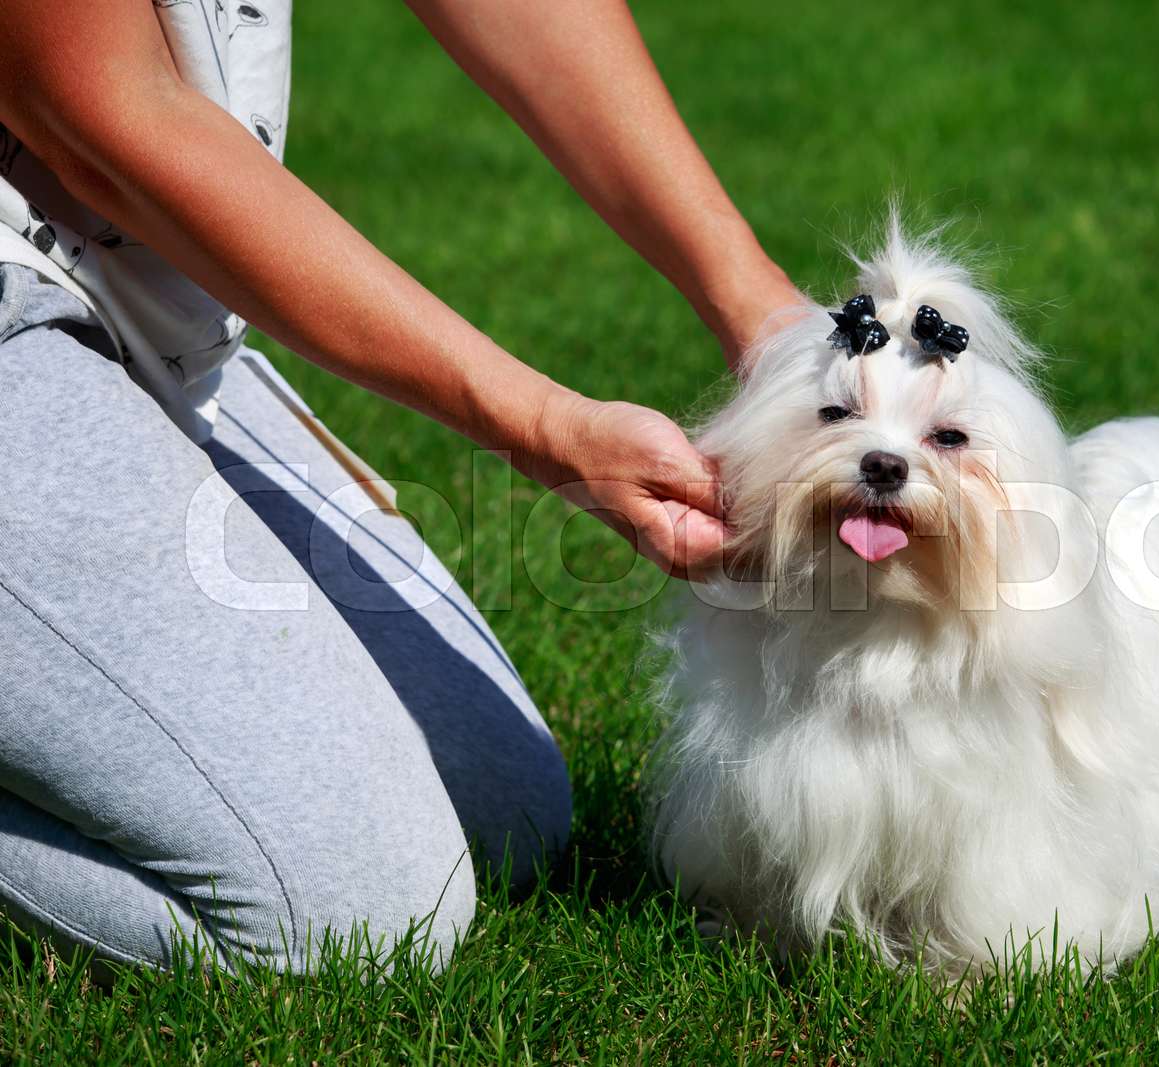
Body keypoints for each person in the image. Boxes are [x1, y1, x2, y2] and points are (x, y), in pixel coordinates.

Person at [0, 0, 799, 973]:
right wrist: (547, 426)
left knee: (501, 805)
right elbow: (104, 117)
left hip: (135, 295)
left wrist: (759, 304)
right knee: (347, 918)